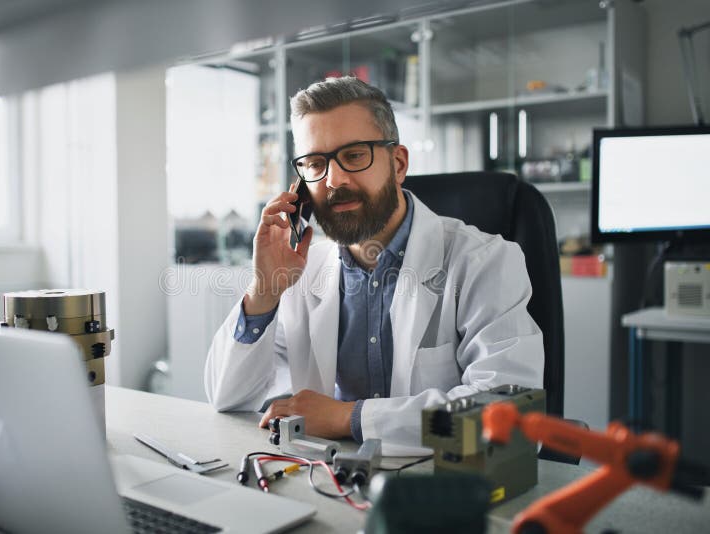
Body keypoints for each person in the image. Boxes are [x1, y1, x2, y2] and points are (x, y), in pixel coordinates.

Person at [204, 76, 543, 455]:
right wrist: (264, 291)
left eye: (353, 155)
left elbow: (505, 415)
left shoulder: (484, 261)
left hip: (444, 486)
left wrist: (348, 418)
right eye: (315, 163)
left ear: (398, 164)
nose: (334, 180)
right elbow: (227, 399)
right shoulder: (300, 271)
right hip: (329, 483)